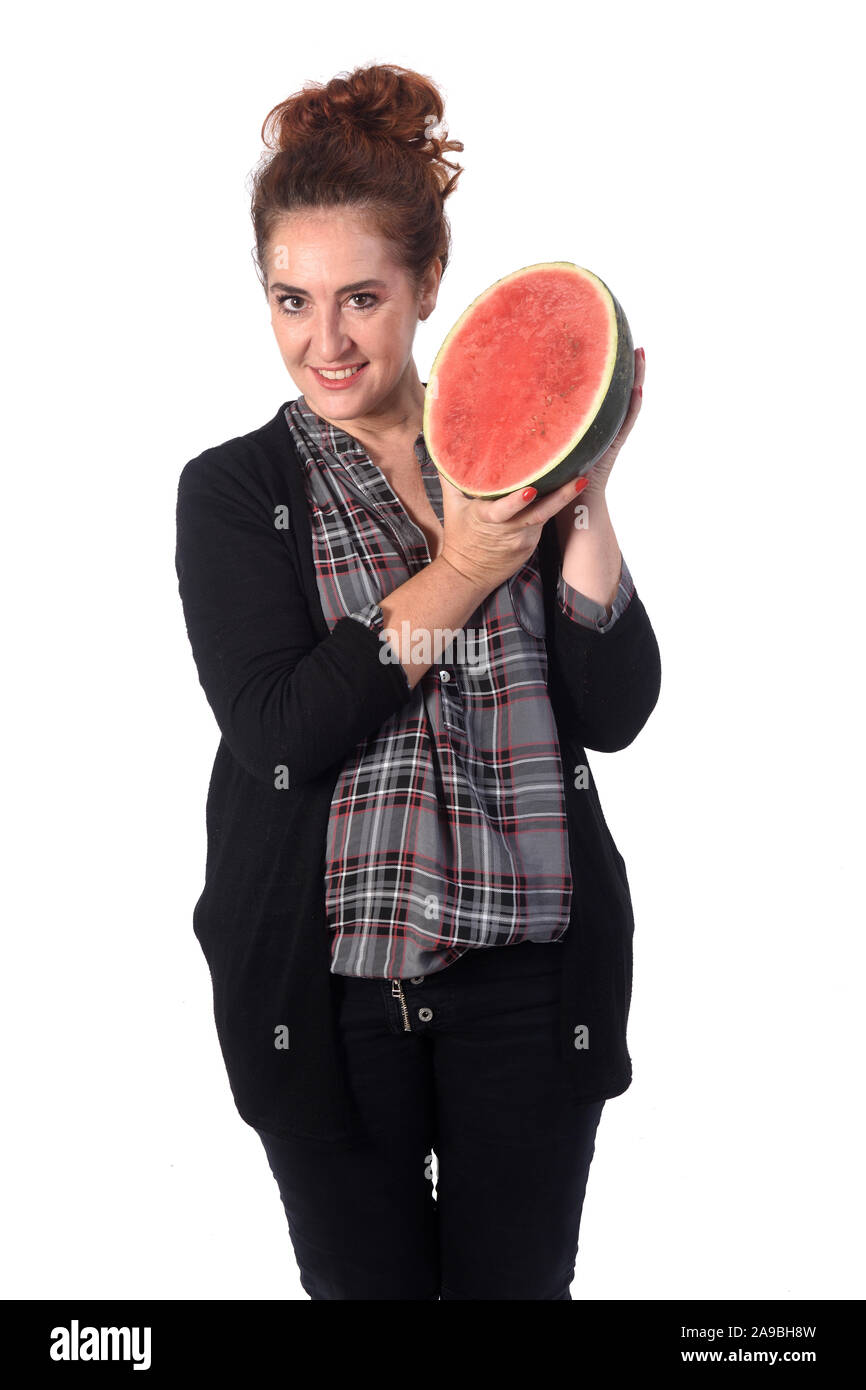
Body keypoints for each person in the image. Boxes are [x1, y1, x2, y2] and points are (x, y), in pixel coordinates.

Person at [175, 61, 662, 1301]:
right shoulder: (234, 492)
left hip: (528, 977)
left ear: (427, 285)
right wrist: (463, 568)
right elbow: (282, 728)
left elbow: (612, 711)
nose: (322, 340)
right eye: (290, 299)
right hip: (335, 995)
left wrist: (585, 493)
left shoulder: (505, 455)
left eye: (361, 298)